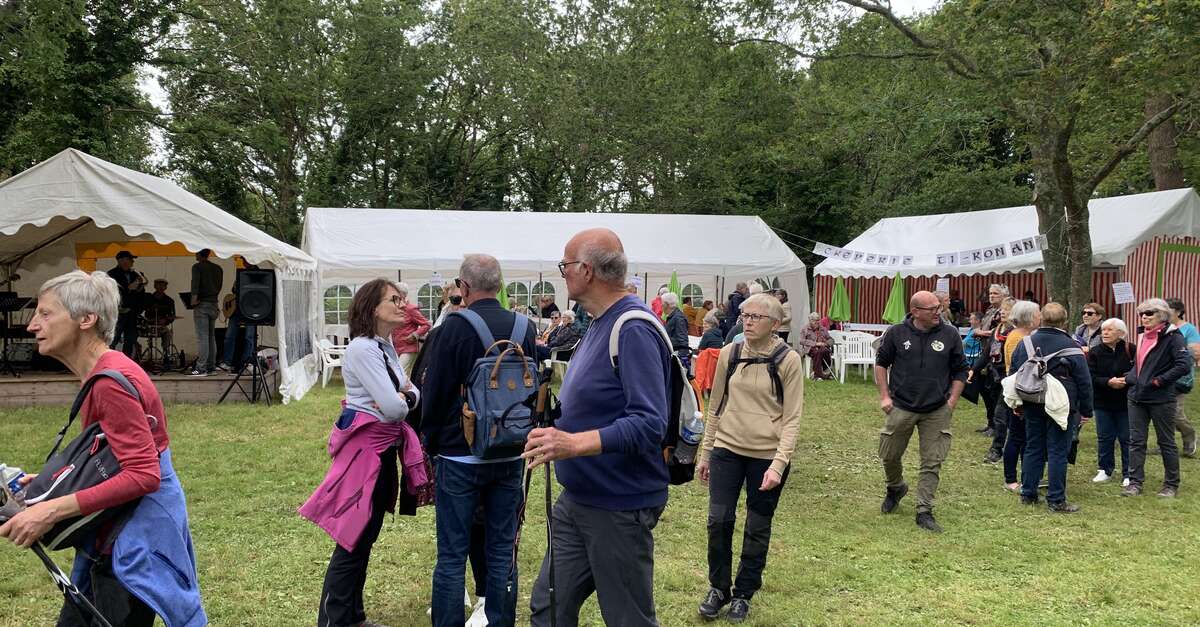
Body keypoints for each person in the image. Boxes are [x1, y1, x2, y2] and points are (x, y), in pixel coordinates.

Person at [0, 270, 205, 626]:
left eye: (46, 314)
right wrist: (51, 483)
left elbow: (144, 475)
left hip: (127, 546)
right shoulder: (106, 372)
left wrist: (48, 511)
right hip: (117, 537)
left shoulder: (111, 383)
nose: (33, 325)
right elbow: (110, 456)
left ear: (86, 319)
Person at [525, 228, 671, 626]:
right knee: (548, 608)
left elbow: (649, 423)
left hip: (619, 504)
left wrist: (573, 443)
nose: (563, 273)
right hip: (579, 498)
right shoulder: (598, 322)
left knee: (627, 619)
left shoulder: (633, 327)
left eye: (566, 265)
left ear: (586, 270)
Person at [421, 255, 537, 627]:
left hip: (459, 455)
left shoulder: (452, 328)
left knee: (452, 556)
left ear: (464, 287)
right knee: (503, 551)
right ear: (501, 286)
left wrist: (431, 440)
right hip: (509, 452)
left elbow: (435, 393)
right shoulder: (526, 327)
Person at [302, 278, 420, 627]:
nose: (402, 305)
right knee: (353, 538)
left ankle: (353, 616)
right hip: (366, 454)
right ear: (373, 308)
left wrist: (404, 398)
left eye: (401, 299)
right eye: (394, 300)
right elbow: (394, 406)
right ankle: (335, 620)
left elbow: (409, 396)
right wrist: (402, 399)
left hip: (382, 452)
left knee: (366, 535)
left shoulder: (384, 347)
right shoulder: (364, 349)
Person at [695, 293, 803, 623]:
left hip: (766, 457)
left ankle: (743, 593)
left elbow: (792, 417)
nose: (749, 321)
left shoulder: (788, 360)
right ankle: (718, 588)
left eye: (757, 316)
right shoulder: (731, 352)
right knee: (719, 520)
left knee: (757, 527)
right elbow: (715, 406)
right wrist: (706, 452)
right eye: (745, 315)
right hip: (727, 450)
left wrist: (779, 463)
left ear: (775, 324)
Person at [875, 290, 967, 533]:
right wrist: (884, 396)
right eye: (932, 309)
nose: (938, 312)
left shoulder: (950, 334)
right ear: (915, 311)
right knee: (889, 454)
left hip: (937, 409)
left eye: (939, 307)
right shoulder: (896, 332)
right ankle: (895, 487)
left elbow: (960, 370)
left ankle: (924, 510)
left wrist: (952, 402)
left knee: (932, 461)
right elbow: (881, 364)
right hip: (901, 405)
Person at [1010, 303, 1092, 512]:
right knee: (1057, 451)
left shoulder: (1025, 342)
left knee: (1033, 446)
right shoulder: (1072, 346)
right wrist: (1086, 411)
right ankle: (1056, 499)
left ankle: (1028, 493)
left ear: (1041, 319)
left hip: (1032, 400)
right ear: (1064, 321)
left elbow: (1014, 374)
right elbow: (1084, 381)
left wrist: (1016, 403)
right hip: (1062, 405)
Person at [1122, 298, 1193, 497]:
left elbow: (1183, 365)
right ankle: (1135, 482)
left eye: (1149, 313)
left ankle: (1171, 485)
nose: (1144, 317)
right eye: (1142, 314)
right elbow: (1140, 362)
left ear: (1161, 315)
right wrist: (1132, 377)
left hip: (1161, 398)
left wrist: (1158, 381)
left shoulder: (1173, 337)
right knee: (1136, 441)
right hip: (1137, 397)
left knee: (1166, 442)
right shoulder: (1143, 335)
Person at [987, 300, 1039, 488]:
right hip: (1019, 390)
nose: (1040, 316)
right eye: (1037, 313)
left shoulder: (1021, 334)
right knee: (1017, 436)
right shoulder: (1019, 337)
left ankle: (1026, 475)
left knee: (1022, 436)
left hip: (1020, 388)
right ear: (1030, 317)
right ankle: (1011, 479)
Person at [1088, 318, 1133, 486]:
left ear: (1121, 333)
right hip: (1102, 401)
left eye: (1109, 330)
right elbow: (1090, 376)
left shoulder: (1131, 349)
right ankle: (1105, 469)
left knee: (1126, 437)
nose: (1104, 333)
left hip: (1126, 401)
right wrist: (1108, 382)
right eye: (1103, 330)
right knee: (1105, 436)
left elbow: (1138, 371)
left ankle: (1128, 472)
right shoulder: (1095, 352)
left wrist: (1126, 379)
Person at [1166, 298, 1199, 457]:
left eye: (1169, 308)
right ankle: (1167, 444)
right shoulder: (1162, 327)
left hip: (1180, 378)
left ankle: (1189, 436)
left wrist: (1175, 352)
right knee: (1163, 412)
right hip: (1162, 375)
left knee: (1175, 413)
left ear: (1178, 311)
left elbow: (1196, 353)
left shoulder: (1188, 329)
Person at [217, 262, 258, 373]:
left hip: (250, 309)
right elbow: (234, 290)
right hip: (237, 309)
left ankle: (247, 362)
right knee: (229, 336)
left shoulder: (258, 273)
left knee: (249, 337)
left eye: (244, 260)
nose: (243, 262)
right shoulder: (241, 273)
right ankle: (227, 362)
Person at [189, 248, 223, 376]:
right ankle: (211, 366)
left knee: (202, 337)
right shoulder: (218, 268)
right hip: (214, 303)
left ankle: (201, 367)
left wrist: (193, 299)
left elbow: (195, 284)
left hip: (202, 304)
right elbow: (219, 286)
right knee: (211, 336)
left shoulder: (197, 267)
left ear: (198, 253)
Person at [106, 250, 146, 357]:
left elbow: (141, 294)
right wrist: (129, 288)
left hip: (132, 312)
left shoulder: (134, 274)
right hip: (118, 312)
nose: (132, 262)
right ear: (121, 261)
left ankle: (127, 362)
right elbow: (112, 293)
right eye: (130, 259)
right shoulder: (111, 275)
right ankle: (109, 361)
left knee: (131, 338)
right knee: (114, 338)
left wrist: (139, 308)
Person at [389, 282, 431, 374]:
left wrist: (415, 334)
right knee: (403, 376)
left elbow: (427, 324)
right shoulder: (394, 309)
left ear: (403, 294)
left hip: (409, 348)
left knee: (399, 373)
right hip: (396, 348)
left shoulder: (411, 309)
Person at [144, 278, 177, 356]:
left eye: (163, 285)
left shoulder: (169, 301)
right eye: (158, 285)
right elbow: (144, 313)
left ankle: (166, 354)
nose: (161, 287)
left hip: (161, 326)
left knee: (167, 333)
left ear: (166, 287)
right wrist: (151, 320)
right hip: (148, 325)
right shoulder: (148, 298)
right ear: (155, 286)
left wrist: (165, 321)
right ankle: (136, 354)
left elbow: (172, 316)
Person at [798, 312, 834, 380]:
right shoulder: (805, 329)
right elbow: (801, 341)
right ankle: (824, 373)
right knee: (817, 352)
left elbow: (831, 339)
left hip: (822, 348)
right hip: (810, 348)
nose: (817, 322)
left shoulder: (823, 329)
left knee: (823, 351)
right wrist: (815, 344)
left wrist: (826, 343)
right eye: (815, 320)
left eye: (818, 320)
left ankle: (817, 374)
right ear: (810, 321)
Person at [662, 292, 691, 371]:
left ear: (667, 304)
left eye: (662, 304)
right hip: (674, 355)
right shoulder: (673, 316)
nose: (661, 306)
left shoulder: (678, 318)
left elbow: (683, 340)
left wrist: (682, 361)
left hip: (678, 357)